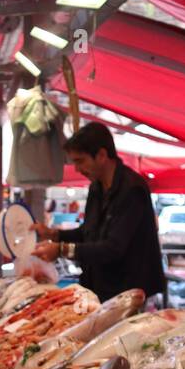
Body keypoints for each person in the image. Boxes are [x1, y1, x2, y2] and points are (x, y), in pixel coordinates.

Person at [32, 122, 165, 303]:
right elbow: (88, 232)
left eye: (80, 161)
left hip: (128, 292)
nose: (77, 169)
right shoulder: (96, 187)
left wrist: (62, 249)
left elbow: (113, 247)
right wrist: (53, 234)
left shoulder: (132, 189)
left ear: (102, 155)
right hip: (99, 286)